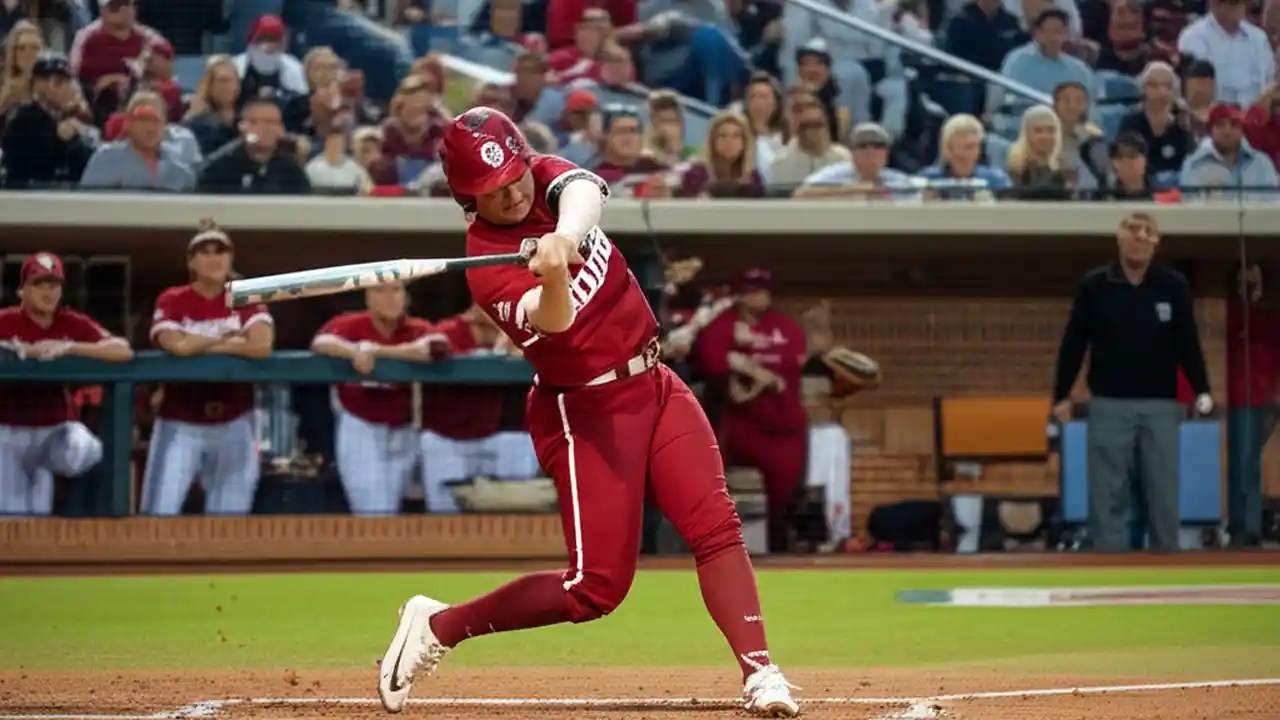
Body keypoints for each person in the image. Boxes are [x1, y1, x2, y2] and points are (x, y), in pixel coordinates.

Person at [376, 107, 800, 718]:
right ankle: (440, 626)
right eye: (494, 193)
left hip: (655, 382)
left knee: (716, 527)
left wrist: (565, 242)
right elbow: (557, 322)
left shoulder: (544, 179)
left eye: (517, 176)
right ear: (467, 200)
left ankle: (761, 673)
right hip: (587, 411)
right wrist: (550, 277)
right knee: (594, 589)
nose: (515, 191)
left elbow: (582, 191)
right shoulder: (487, 268)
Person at [1051, 212, 1212, 552]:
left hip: (1162, 406)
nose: (1140, 236)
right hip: (1110, 404)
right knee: (1107, 491)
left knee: (1163, 491)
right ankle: (1110, 566)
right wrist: (1061, 393)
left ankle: (1166, 564)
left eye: (1148, 231)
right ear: (1118, 236)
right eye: (1132, 229)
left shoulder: (1174, 285)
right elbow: (1074, 342)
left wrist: (1202, 390)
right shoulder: (1094, 285)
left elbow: (1188, 343)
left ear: (1157, 242)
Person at [140, 220, 274, 516]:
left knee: (229, 519)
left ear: (230, 258)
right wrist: (225, 339)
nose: (214, 259)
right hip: (180, 419)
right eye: (205, 252)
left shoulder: (247, 295)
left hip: (235, 418)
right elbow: (177, 345)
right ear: (191, 261)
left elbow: (261, 346)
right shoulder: (173, 298)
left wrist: (201, 342)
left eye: (220, 252)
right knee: (159, 513)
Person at [0, 252, 132, 515]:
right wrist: (19, 350)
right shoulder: (6, 320)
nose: (48, 292)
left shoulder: (70, 322)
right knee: (17, 518)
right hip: (8, 432)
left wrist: (69, 346)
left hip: (53, 432)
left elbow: (122, 350)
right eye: (39, 284)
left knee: (83, 447)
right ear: (21, 291)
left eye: (54, 285)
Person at [693, 269, 808, 553]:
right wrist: (746, 366)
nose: (759, 295)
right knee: (705, 480)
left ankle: (781, 550)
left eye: (763, 290)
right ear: (739, 295)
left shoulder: (785, 327)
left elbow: (793, 365)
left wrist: (745, 363)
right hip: (738, 423)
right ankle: (712, 547)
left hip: (782, 424)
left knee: (786, 492)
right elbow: (713, 365)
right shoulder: (722, 325)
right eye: (751, 290)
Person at [311, 283, 444, 514]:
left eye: (396, 291)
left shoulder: (417, 327)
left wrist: (377, 351)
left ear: (406, 297)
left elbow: (436, 348)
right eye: (381, 291)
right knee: (371, 510)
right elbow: (321, 343)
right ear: (368, 298)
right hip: (360, 426)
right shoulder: (351, 323)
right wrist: (353, 352)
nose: (390, 298)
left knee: (391, 509)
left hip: (404, 426)